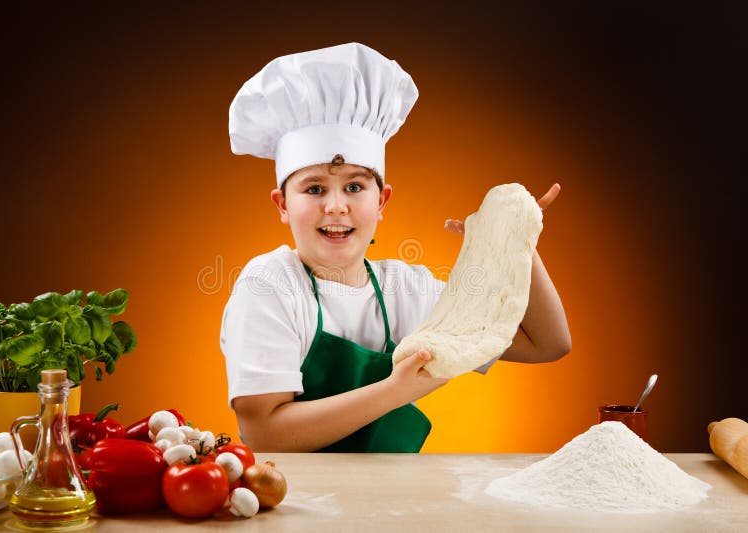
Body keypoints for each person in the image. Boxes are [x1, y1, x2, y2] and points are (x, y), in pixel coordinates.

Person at [221, 42, 571, 453]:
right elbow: (263, 434)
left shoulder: (407, 290)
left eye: (354, 186)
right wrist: (397, 389)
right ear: (283, 205)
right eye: (314, 188)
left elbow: (547, 343)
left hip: (393, 506)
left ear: (381, 201)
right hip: (292, 506)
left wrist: (513, 237)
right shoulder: (270, 284)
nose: (336, 205)